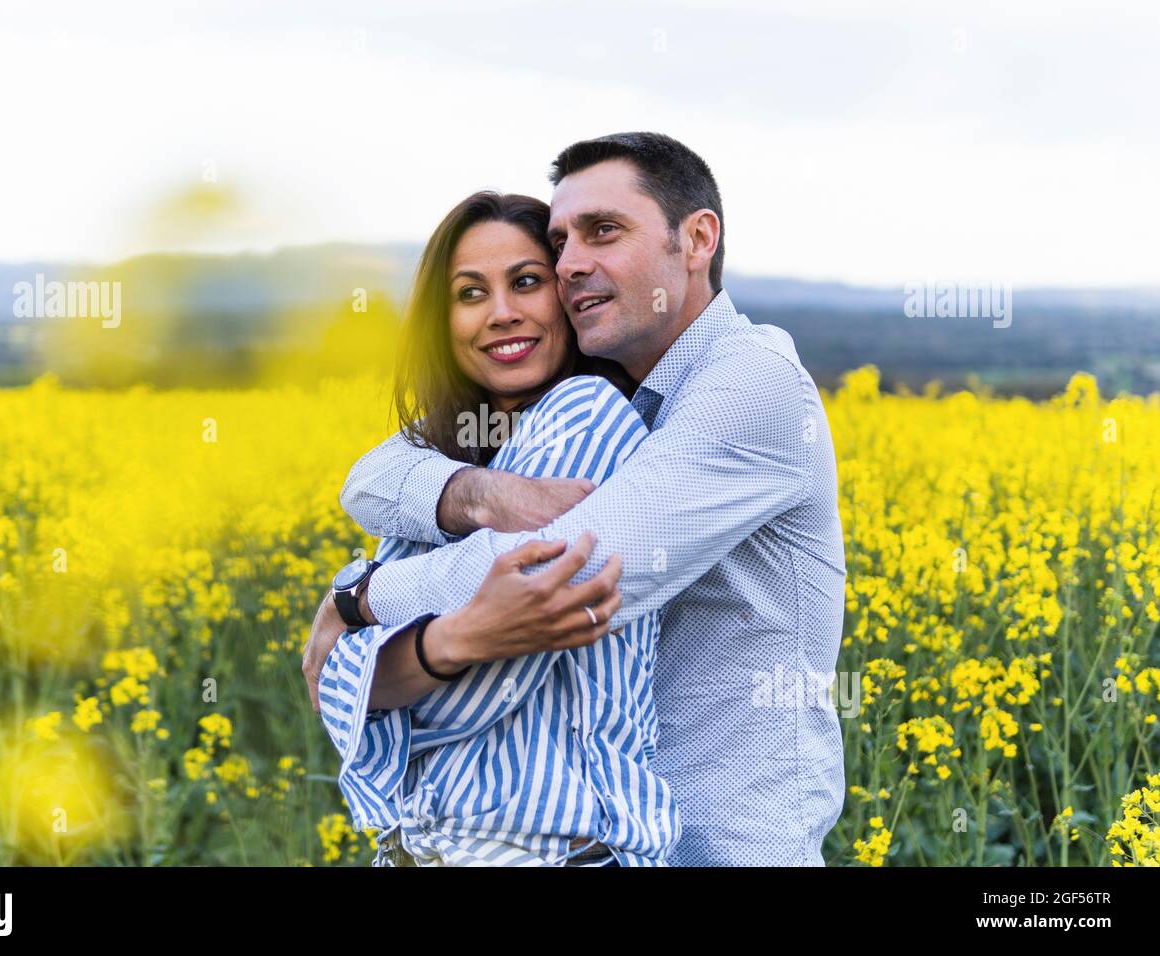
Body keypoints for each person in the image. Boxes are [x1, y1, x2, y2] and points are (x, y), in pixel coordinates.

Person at [306, 132, 848, 866]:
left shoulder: (750, 384)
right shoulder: (621, 406)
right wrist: (473, 491)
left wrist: (360, 599)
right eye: (560, 243)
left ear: (697, 239)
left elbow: (559, 573)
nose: (572, 265)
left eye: (603, 231)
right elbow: (373, 475)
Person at [315, 190, 680, 866]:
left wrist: (365, 616)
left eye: (527, 282)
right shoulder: (438, 456)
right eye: (470, 293)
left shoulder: (589, 413)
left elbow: (446, 705)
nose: (502, 312)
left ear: (568, 297)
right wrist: (476, 503)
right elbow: (339, 692)